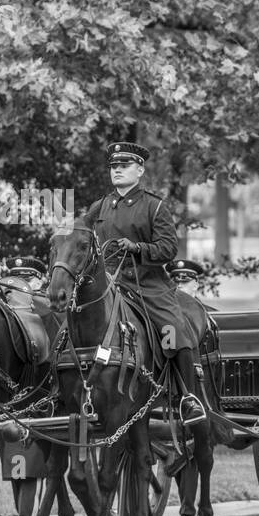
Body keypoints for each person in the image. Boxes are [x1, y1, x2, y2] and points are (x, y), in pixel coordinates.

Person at [86, 141, 207, 423]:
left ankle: (188, 398)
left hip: (146, 285)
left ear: (139, 170)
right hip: (107, 284)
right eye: (113, 166)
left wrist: (139, 248)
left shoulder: (154, 206)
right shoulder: (98, 207)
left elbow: (168, 248)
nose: (117, 170)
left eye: (124, 165)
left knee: (173, 330)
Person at [0, 256, 50, 516]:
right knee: (16, 462)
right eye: (15, 279)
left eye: (27, 279)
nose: (20, 285)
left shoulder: (48, 310)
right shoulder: (4, 315)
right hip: (11, 397)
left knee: (27, 463)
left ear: (40, 280)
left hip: (42, 395)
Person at [166, 258, 206, 516]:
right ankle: (188, 511)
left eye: (186, 281)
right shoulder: (165, 317)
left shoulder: (205, 316)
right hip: (171, 388)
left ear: (196, 284)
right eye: (176, 280)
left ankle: (189, 511)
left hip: (197, 389)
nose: (180, 285)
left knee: (190, 447)